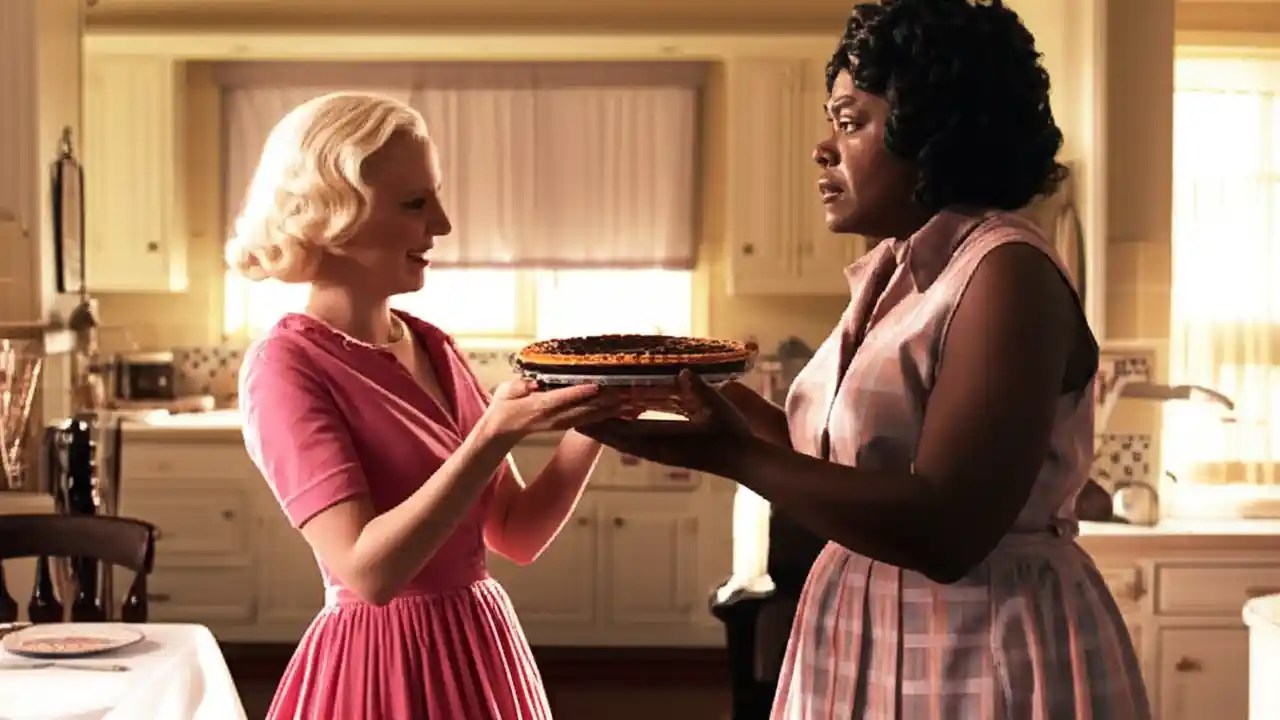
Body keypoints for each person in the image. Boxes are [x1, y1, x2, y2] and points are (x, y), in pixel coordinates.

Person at [581, 0, 1151, 717]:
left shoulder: (1007, 272)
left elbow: (949, 529)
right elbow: (834, 460)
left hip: (977, 637)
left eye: (850, 122)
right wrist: (697, 400)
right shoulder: (893, 271)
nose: (823, 147)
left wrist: (729, 455)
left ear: (936, 130)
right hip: (867, 622)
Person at [227, 91, 626, 719]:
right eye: (415, 203)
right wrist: (492, 435)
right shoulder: (285, 366)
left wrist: (601, 415)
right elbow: (368, 573)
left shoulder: (433, 345)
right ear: (337, 215)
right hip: (381, 666)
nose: (441, 224)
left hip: (480, 650)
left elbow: (517, 532)